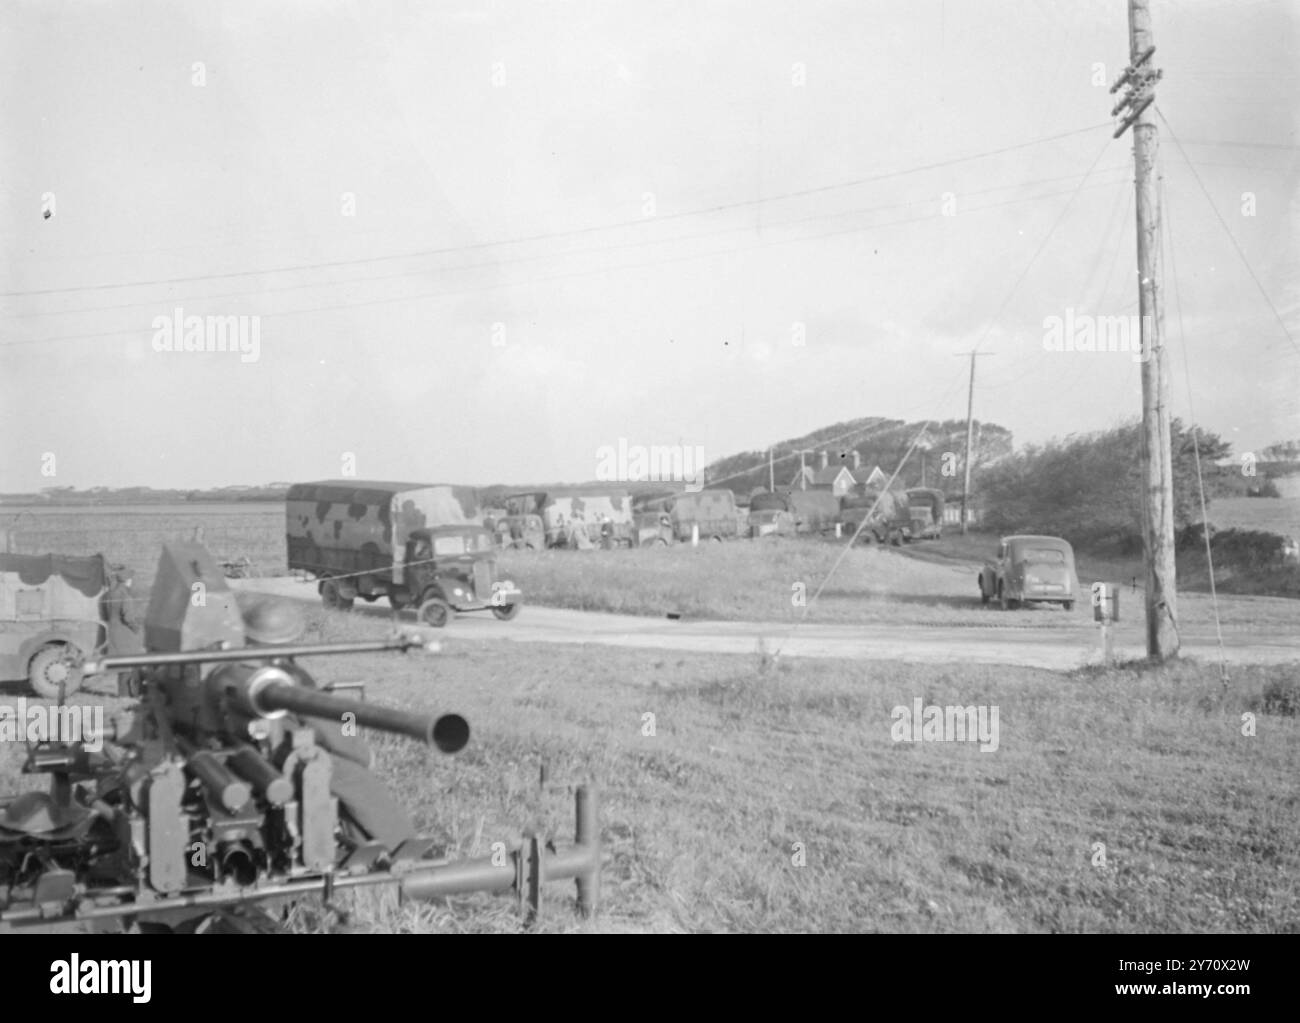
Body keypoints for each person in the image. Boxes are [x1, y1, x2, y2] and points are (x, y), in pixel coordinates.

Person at [240, 596, 417, 852]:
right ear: (290, 639)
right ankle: (407, 850)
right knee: (357, 781)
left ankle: (366, 846)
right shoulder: (288, 677)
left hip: (245, 749)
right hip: (280, 755)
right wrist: (361, 754)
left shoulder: (234, 664)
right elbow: (327, 724)